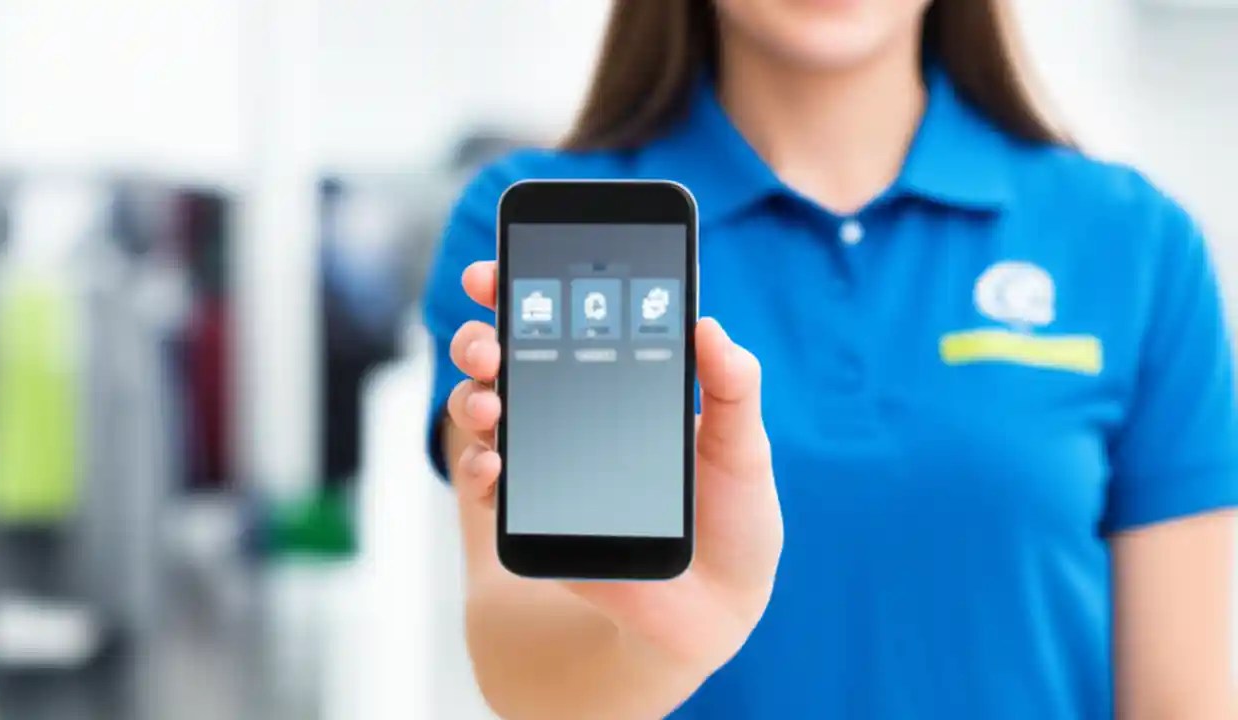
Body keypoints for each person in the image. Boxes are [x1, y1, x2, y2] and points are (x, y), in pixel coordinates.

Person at [423, 1, 1238, 717]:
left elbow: (1185, 701)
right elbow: (517, 656)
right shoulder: (547, 233)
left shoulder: (1132, 242)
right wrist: (670, 642)